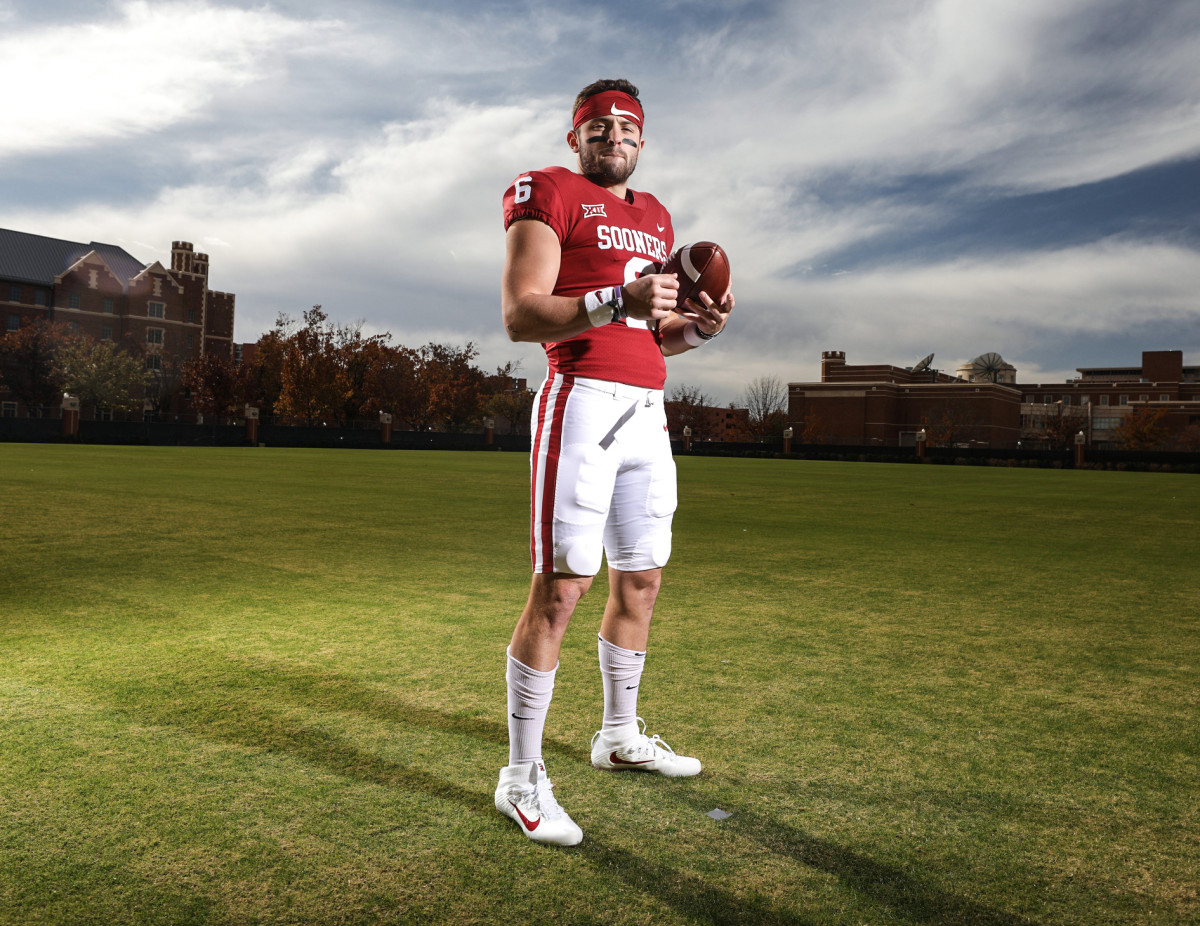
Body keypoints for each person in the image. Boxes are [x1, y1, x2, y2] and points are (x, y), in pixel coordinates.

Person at [494, 78, 734, 847]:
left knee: (643, 577)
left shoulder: (656, 215)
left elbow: (652, 336)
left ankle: (618, 735)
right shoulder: (549, 191)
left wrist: (699, 330)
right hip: (582, 402)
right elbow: (520, 314)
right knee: (562, 588)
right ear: (577, 137)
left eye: (628, 124)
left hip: (646, 411)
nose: (614, 134)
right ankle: (521, 780)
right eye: (598, 125)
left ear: (643, 137)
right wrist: (613, 300)